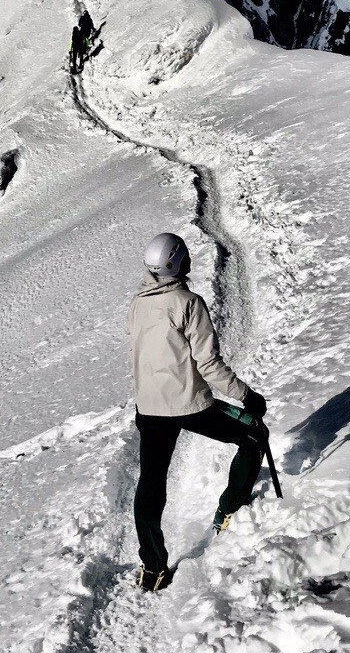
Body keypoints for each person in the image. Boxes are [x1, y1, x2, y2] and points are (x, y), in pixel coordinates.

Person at [126, 232, 268, 592]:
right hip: (188, 405)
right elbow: (209, 363)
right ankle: (229, 510)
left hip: (150, 408)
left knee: (151, 484)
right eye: (184, 254)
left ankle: (153, 567)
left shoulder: (138, 303)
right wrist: (246, 395)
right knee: (253, 435)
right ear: (176, 262)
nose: (189, 258)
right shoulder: (188, 303)